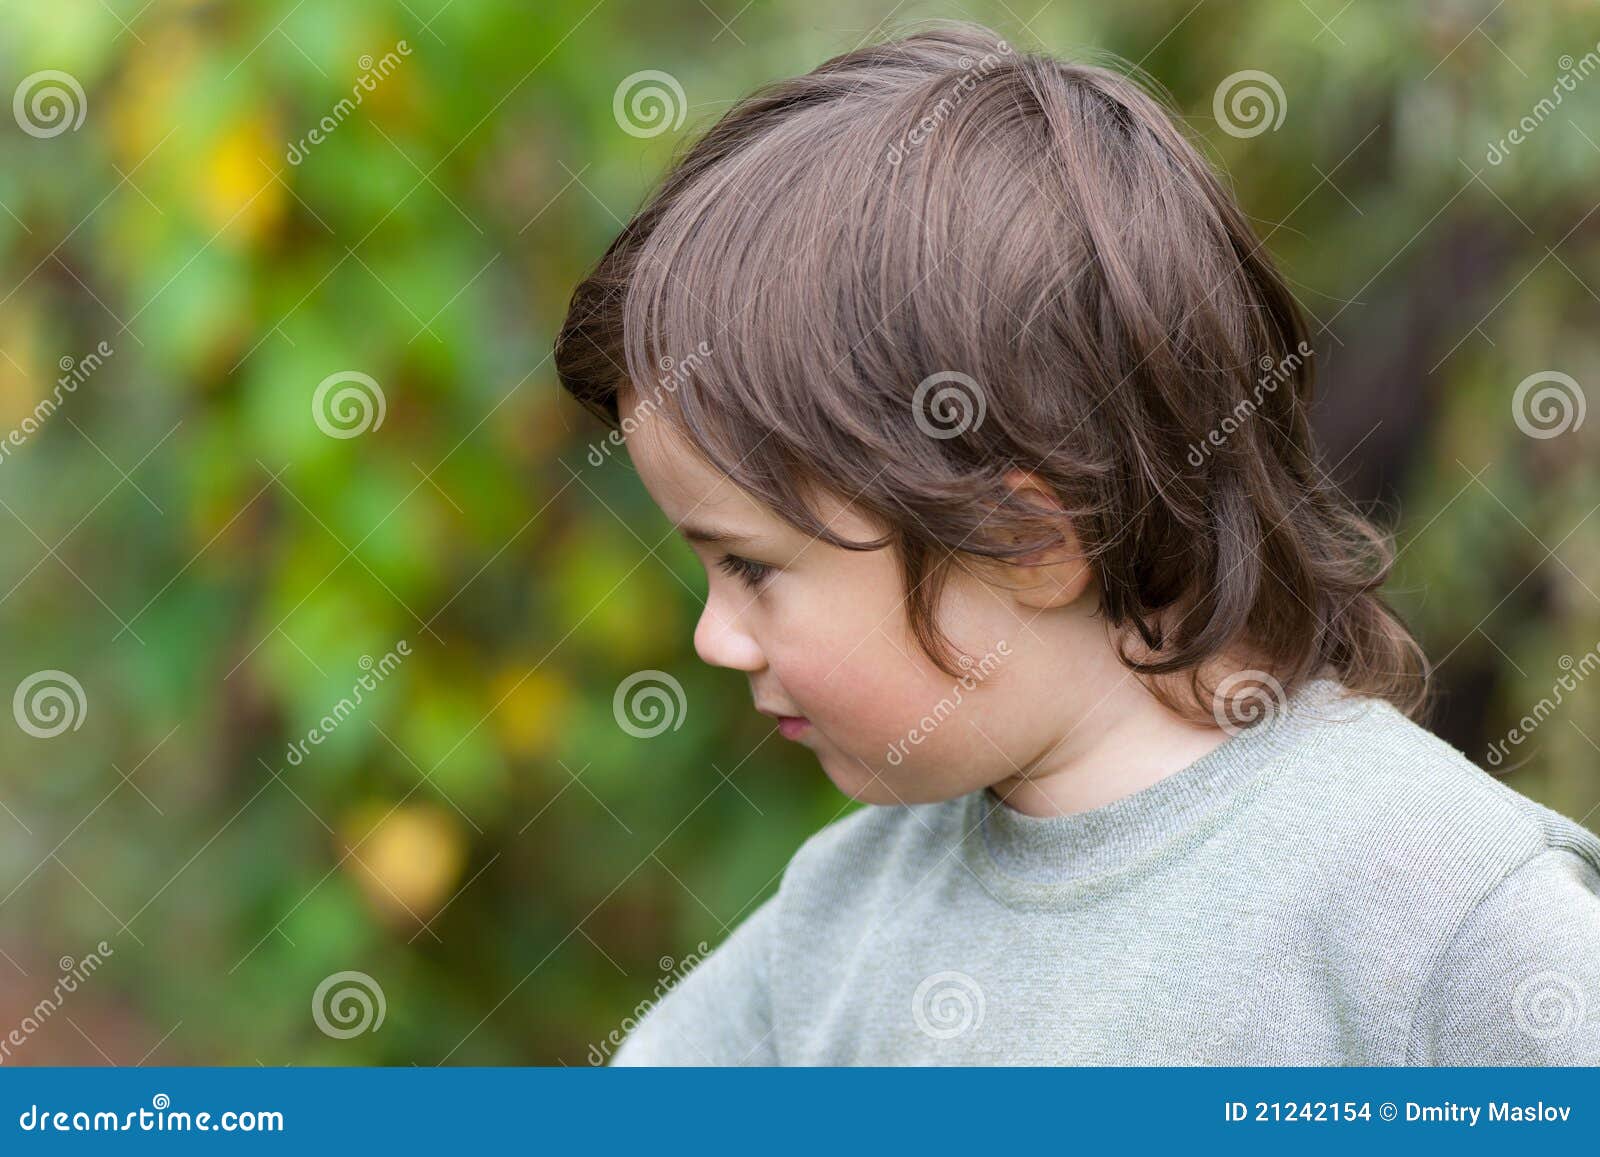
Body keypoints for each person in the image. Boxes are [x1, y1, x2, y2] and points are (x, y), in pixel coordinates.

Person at [553, 21, 1600, 1065]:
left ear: (1024, 541)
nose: (717, 639)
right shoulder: (837, 920)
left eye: (749, 565)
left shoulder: (1436, 903)